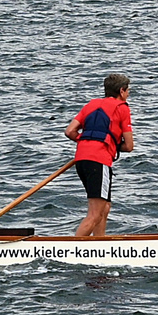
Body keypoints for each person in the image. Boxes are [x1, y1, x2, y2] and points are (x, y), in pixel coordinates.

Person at [66, 72, 134, 237]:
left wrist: (87, 141)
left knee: (104, 208)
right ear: (122, 91)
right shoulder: (122, 108)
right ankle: (72, 250)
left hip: (81, 159)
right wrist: (110, 145)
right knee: (95, 214)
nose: (129, 94)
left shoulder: (91, 105)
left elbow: (70, 131)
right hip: (99, 160)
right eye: (128, 90)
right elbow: (129, 146)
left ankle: (99, 243)